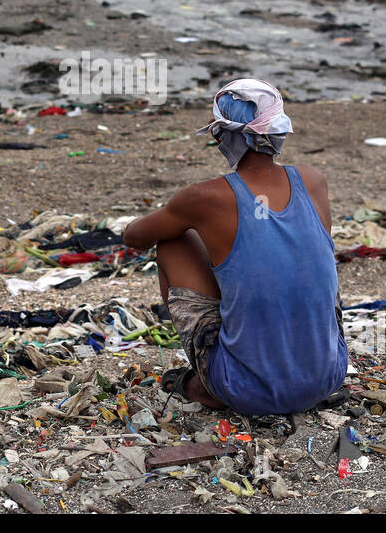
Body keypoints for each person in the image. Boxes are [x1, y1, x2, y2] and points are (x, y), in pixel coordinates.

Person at [122, 79, 348, 416]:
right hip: (328, 376)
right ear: (278, 131)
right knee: (285, 258)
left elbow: (134, 237)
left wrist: (190, 220)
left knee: (173, 241)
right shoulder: (312, 180)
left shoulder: (204, 198)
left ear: (219, 134)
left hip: (246, 393)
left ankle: (207, 383)